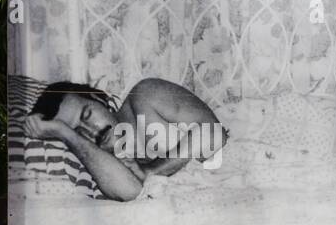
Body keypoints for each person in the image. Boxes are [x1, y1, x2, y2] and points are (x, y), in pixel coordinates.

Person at [23, 78, 226, 201]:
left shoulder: (144, 95)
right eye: (78, 131)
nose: (92, 131)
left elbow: (214, 133)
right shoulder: (101, 165)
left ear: (100, 100)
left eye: (87, 115)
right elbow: (131, 192)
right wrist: (65, 133)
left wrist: (151, 171)